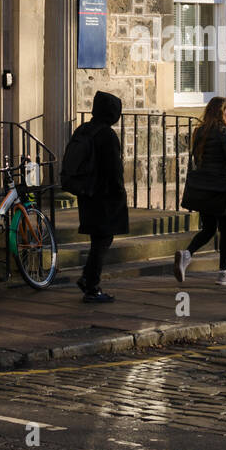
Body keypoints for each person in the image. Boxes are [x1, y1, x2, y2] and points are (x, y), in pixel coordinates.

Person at [176, 97, 226, 286]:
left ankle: (186, 254)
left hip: (203, 187)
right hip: (220, 188)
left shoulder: (200, 131)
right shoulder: (223, 131)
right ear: (221, 112)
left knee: (209, 228)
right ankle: (223, 273)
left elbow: (198, 160)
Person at [71, 91, 129, 303]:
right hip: (104, 195)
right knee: (103, 239)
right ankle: (91, 284)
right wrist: (119, 194)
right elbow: (114, 171)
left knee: (99, 239)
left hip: (87, 192)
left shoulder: (84, 129)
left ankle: (88, 278)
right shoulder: (107, 135)